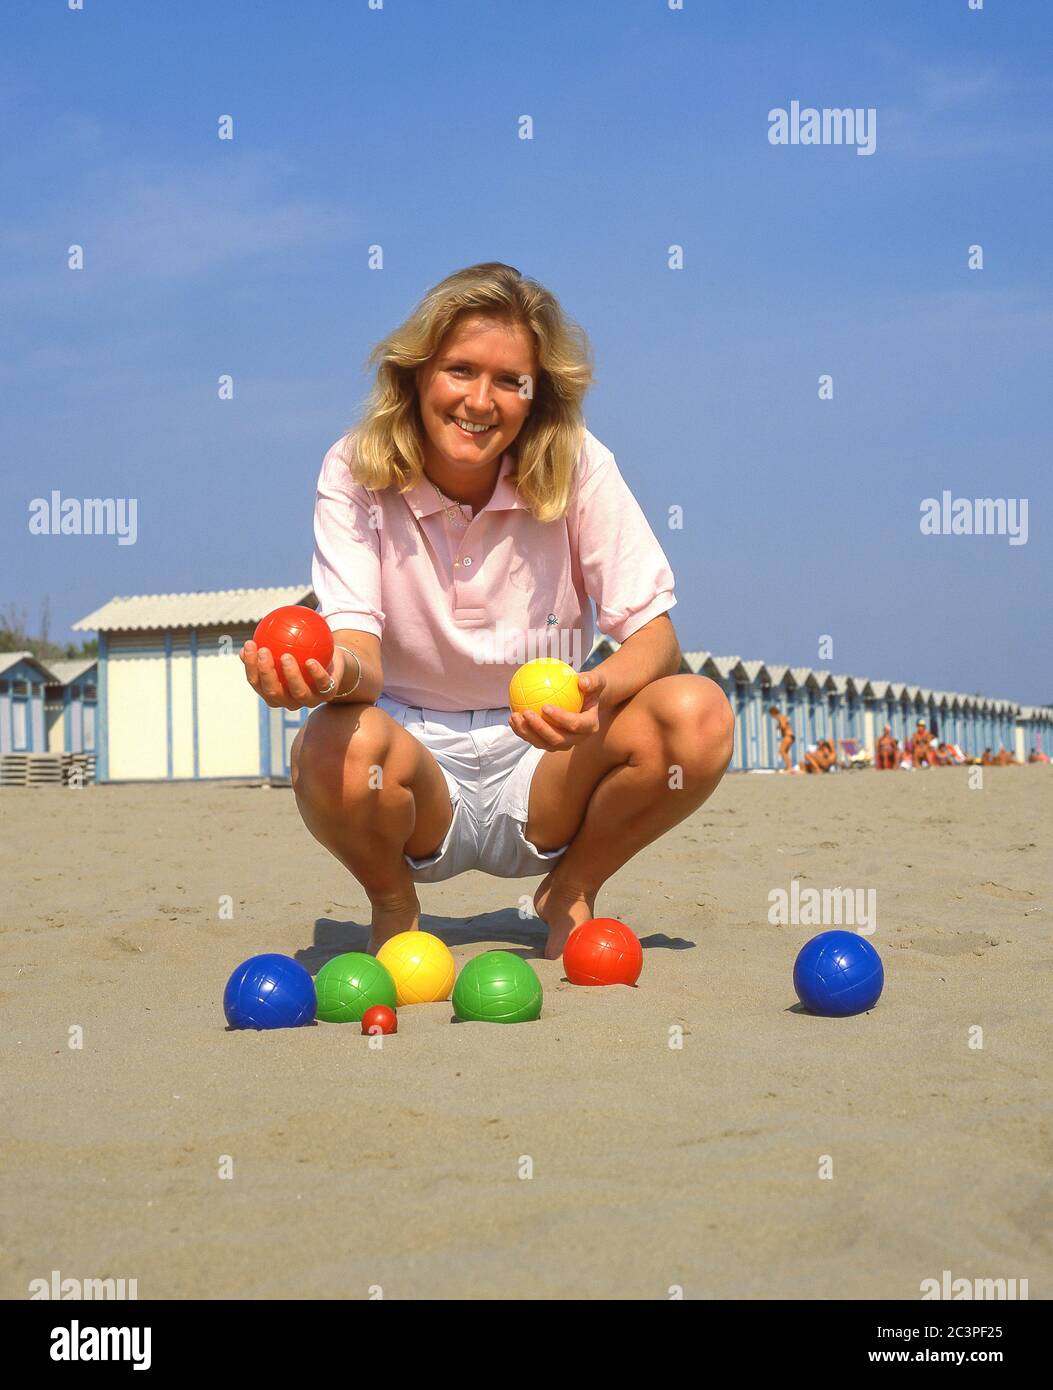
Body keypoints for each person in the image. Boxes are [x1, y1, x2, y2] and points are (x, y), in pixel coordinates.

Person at [240, 262, 735, 958]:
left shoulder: (579, 463)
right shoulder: (353, 469)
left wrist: (597, 686)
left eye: (510, 381)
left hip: (546, 758)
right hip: (413, 765)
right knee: (328, 743)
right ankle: (392, 902)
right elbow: (362, 663)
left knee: (697, 713)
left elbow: (654, 638)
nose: (480, 400)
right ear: (415, 374)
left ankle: (571, 888)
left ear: (537, 397)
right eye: (459, 370)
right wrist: (319, 676)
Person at [769, 706, 795, 771]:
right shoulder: (782, 717)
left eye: (771, 714)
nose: (772, 716)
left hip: (788, 736)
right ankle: (789, 766)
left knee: (782, 751)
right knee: (785, 752)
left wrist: (778, 727)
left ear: (773, 713)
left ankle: (789, 767)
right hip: (791, 736)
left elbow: (783, 726)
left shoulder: (780, 717)